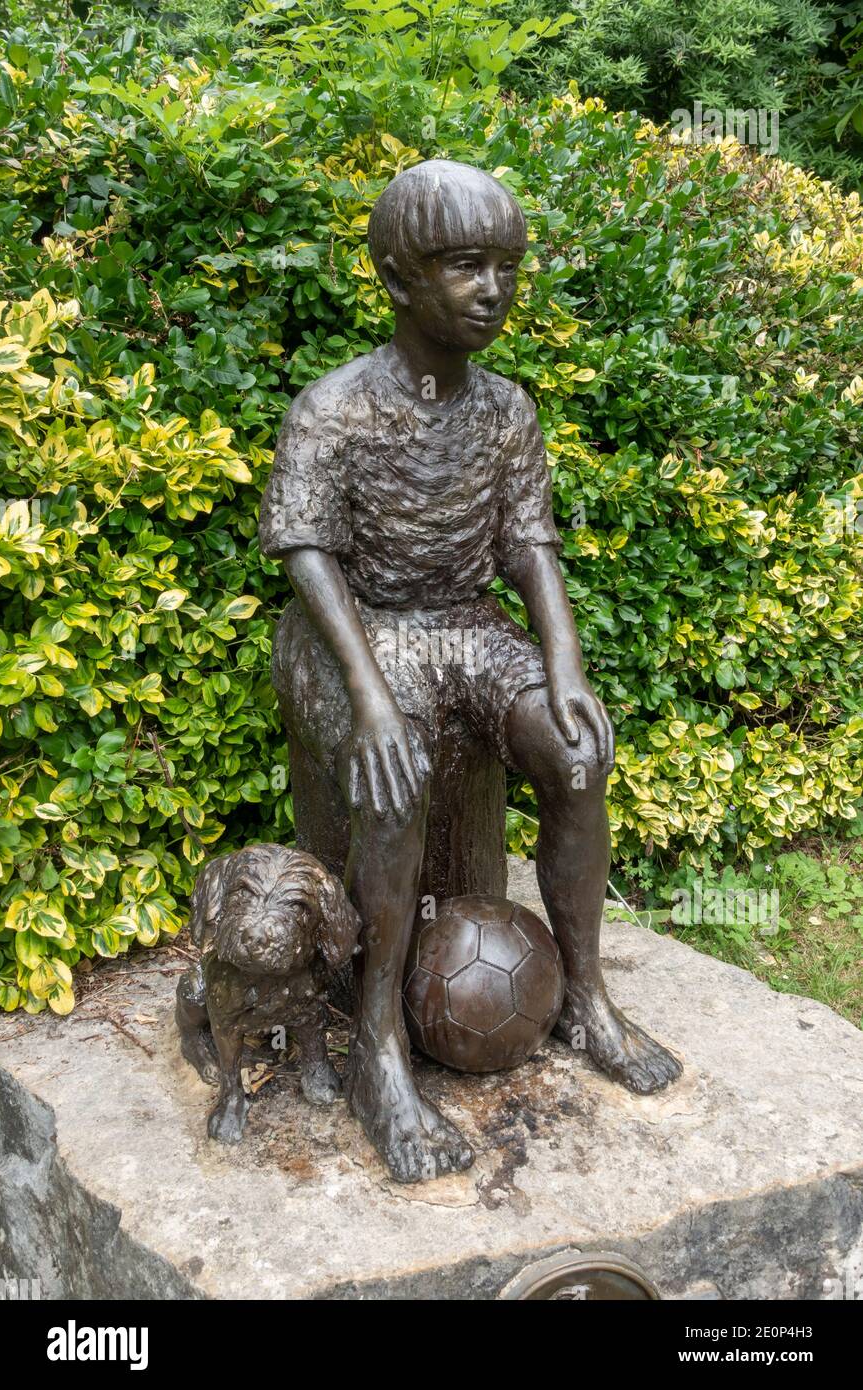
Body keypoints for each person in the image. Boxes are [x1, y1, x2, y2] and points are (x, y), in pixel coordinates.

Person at [259, 160, 681, 1183]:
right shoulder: (333, 408)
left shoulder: (506, 410)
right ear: (400, 278)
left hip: (465, 627)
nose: (490, 288)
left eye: (505, 266)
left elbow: (529, 546)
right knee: (393, 773)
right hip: (349, 635)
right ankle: (378, 1048)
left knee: (575, 754)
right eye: (463, 266)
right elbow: (305, 550)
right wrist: (367, 696)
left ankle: (582, 996)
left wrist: (563, 664)